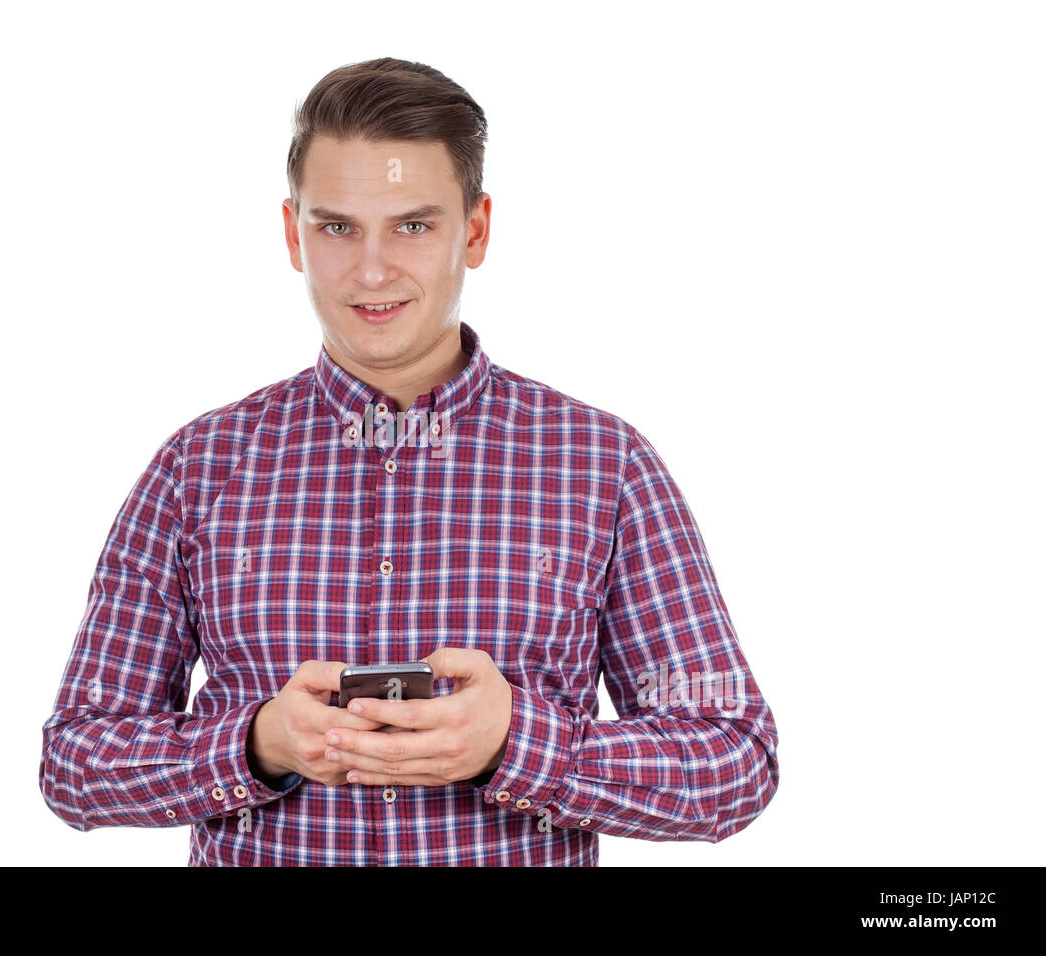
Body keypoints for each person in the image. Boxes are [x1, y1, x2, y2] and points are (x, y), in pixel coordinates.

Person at [38, 57, 779, 866]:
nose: (371, 270)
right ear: (293, 233)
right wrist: (255, 746)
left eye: (414, 225)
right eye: (337, 226)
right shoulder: (198, 468)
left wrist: (520, 745)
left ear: (477, 229)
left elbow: (733, 761)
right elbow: (77, 761)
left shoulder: (604, 466)